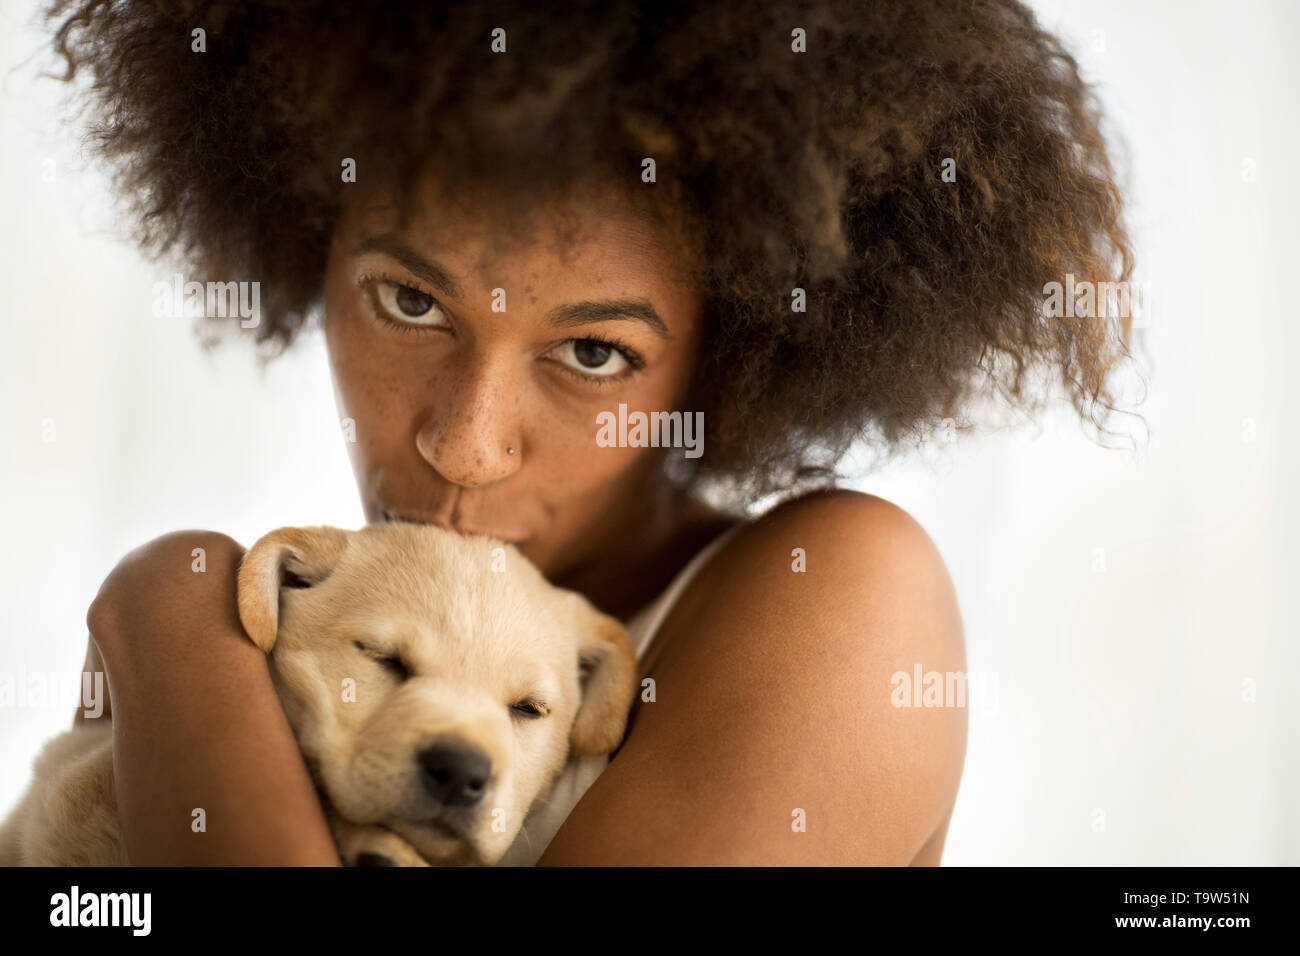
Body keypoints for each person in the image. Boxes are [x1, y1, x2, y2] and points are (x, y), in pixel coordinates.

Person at [55, 0, 1134, 864]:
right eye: (411, 302)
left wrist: (170, 620)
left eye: (593, 353)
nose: (465, 446)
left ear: (734, 352)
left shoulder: (847, 590)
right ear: (308, 238)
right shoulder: (317, 634)